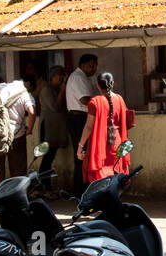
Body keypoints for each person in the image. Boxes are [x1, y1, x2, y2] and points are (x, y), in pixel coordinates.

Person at [77, 72, 130, 183]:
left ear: (97, 85)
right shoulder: (119, 99)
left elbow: (88, 127)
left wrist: (80, 146)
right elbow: (127, 122)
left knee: (101, 181)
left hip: (99, 145)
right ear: (113, 84)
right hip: (116, 143)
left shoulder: (94, 102)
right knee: (115, 177)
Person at [0, 77, 37, 190]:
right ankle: (16, 196)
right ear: (28, 84)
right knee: (18, 169)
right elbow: (32, 112)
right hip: (16, 135)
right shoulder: (25, 94)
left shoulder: (0, 88)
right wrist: (30, 129)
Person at [65, 53, 98, 195]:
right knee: (81, 154)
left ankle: (83, 188)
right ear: (83, 65)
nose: (93, 69)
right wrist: (100, 102)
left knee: (84, 154)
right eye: (91, 66)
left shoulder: (83, 77)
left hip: (81, 117)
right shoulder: (78, 77)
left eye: (95, 66)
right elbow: (84, 99)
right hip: (78, 119)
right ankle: (80, 189)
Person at [38, 65, 69, 184]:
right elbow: (55, 107)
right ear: (53, 76)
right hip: (48, 129)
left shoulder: (56, 89)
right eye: (59, 75)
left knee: (49, 158)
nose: (62, 78)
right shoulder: (46, 90)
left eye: (63, 75)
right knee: (47, 158)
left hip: (56, 129)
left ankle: (45, 187)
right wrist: (62, 90)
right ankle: (42, 187)